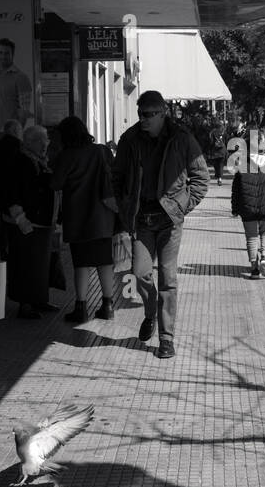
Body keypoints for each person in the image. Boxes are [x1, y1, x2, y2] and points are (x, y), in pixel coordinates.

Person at [112, 91, 209, 359]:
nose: (142, 119)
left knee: (168, 277)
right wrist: (125, 207)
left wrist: (181, 207)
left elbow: (201, 179)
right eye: (140, 114)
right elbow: (117, 177)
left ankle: (166, 338)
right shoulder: (130, 140)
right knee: (140, 272)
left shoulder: (181, 139)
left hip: (169, 220)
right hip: (141, 218)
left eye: (148, 115)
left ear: (162, 113)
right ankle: (150, 312)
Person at [53, 116, 118, 324]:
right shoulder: (101, 151)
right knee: (104, 260)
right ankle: (108, 305)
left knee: (81, 263)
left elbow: (55, 184)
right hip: (103, 217)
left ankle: (81, 307)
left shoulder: (66, 156)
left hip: (78, 218)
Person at [0, 124, 58, 319]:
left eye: (46, 141)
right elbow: (12, 193)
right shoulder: (20, 161)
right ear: (29, 143)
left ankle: (39, 300)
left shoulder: (40, 161)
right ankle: (25, 305)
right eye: (40, 141)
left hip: (41, 222)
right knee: (25, 264)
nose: (44, 145)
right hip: (27, 223)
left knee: (40, 265)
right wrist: (21, 219)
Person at [231, 136, 265, 279]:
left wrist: (235, 208)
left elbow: (235, 190)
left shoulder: (242, 165)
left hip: (247, 208)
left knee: (251, 236)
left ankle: (254, 269)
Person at [0, 38, 32, 145]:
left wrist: (18, 132)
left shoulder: (21, 78)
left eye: (7, 53)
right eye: (0, 52)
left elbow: (24, 109)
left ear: (12, 54)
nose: (3, 56)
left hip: (11, 133)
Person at [0, 119, 24, 258]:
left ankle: (3, 252)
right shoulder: (21, 148)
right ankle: (14, 252)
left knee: (3, 224)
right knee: (14, 224)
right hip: (14, 195)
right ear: (16, 132)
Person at [206, 117, 228, 186]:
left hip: (215, 151)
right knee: (221, 165)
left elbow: (210, 142)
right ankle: (220, 178)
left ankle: (218, 176)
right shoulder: (223, 131)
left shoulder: (212, 132)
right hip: (222, 150)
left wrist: (208, 150)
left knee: (216, 165)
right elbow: (226, 140)